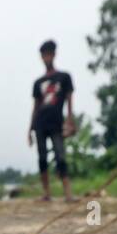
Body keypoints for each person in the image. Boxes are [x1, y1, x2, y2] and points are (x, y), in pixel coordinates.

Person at [27, 39, 76, 203]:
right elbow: (35, 106)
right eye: (43, 55)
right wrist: (29, 129)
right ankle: (47, 193)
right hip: (40, 124)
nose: (46, 58)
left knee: (60, 156)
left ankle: (68, 193)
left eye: (48, 54)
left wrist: (70, 122)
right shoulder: (38, 83)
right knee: (42, 158)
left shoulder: (64, 77)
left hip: (56, 123)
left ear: (54, 55)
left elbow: (69, 100)